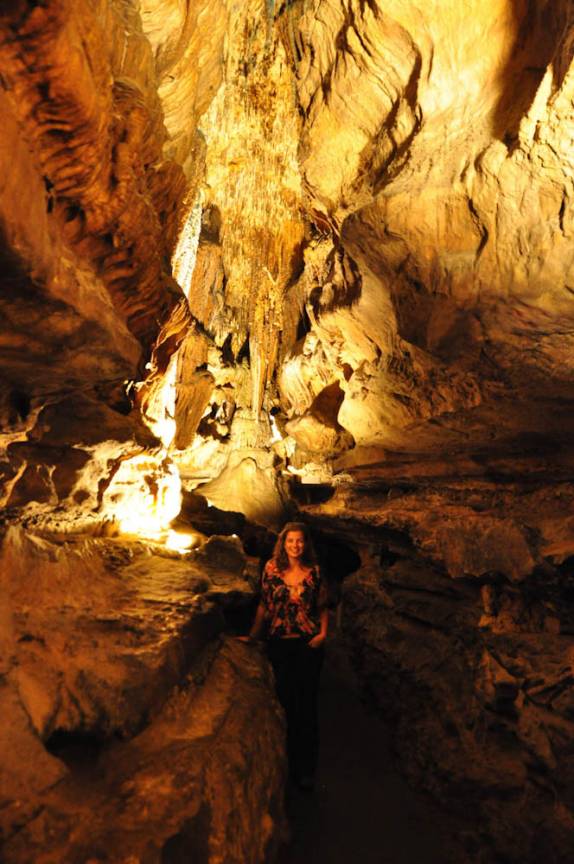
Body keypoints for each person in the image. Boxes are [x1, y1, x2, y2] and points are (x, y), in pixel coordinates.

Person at [241, 522, 328, 789]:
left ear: (305, 544)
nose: (295, 545)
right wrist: (253, 636)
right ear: (283, 543)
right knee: (283, 702)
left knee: (307, 706)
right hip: (279, 643)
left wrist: (323, 634)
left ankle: (306, 771)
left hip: (307, 645)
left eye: (299, 541)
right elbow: (264, 605)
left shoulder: (314, 571)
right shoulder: (271, 568)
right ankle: (284, 766)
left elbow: (323, 606)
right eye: (290, 541)